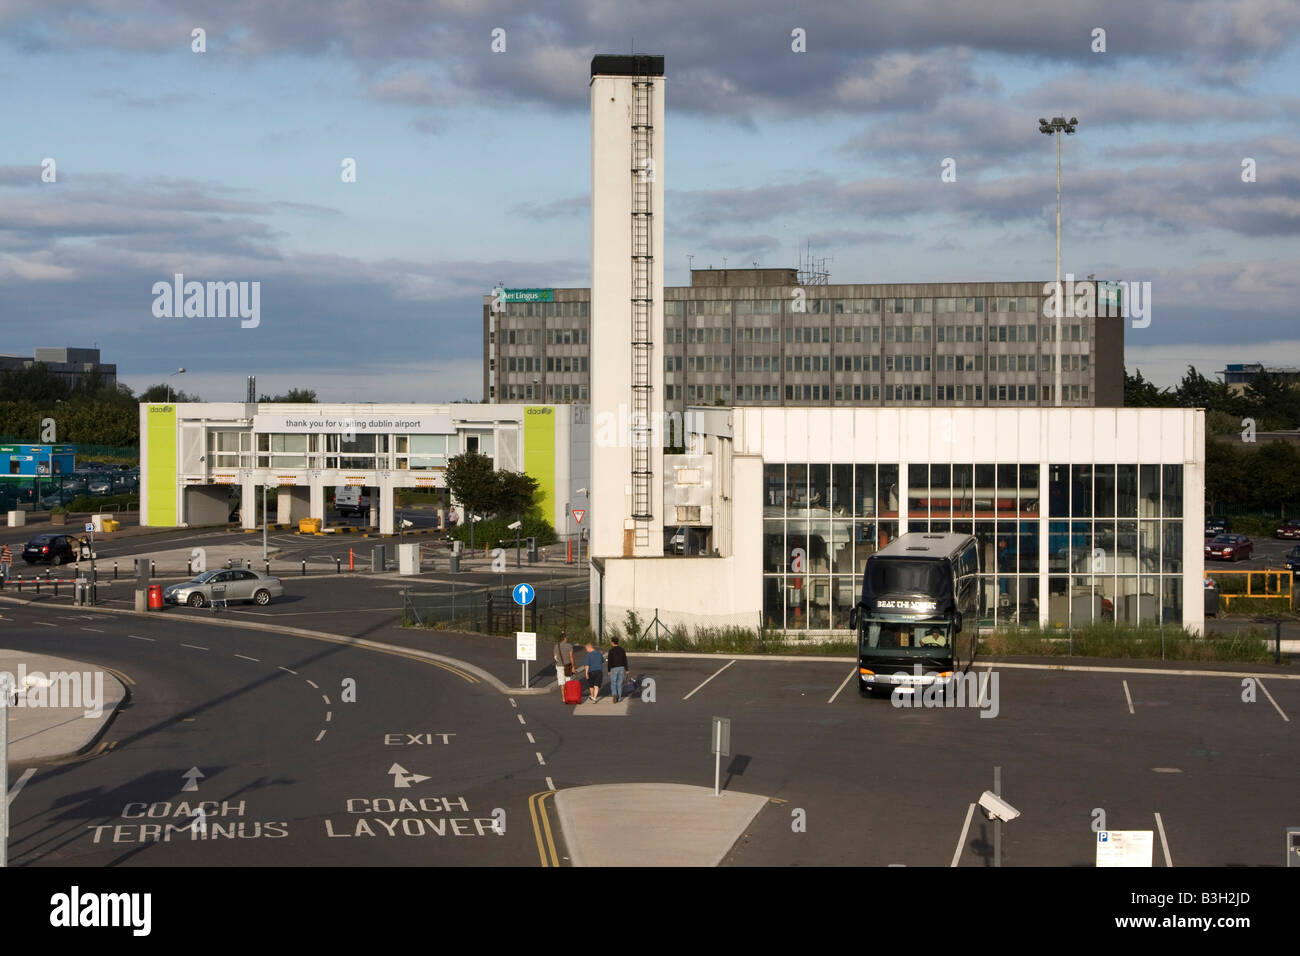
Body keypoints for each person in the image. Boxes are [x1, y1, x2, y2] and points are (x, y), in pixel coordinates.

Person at [607, 637, 629, 703]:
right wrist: (627, 669)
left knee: (613, 683)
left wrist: (608, 670)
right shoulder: (622, 650)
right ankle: (619, 698)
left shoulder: (611, 651)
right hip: (622, 668)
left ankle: (614, 694)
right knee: (619, 684)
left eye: (611, 641)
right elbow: (625, 660)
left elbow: (609, 661)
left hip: (614, 668)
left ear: (612, 642)